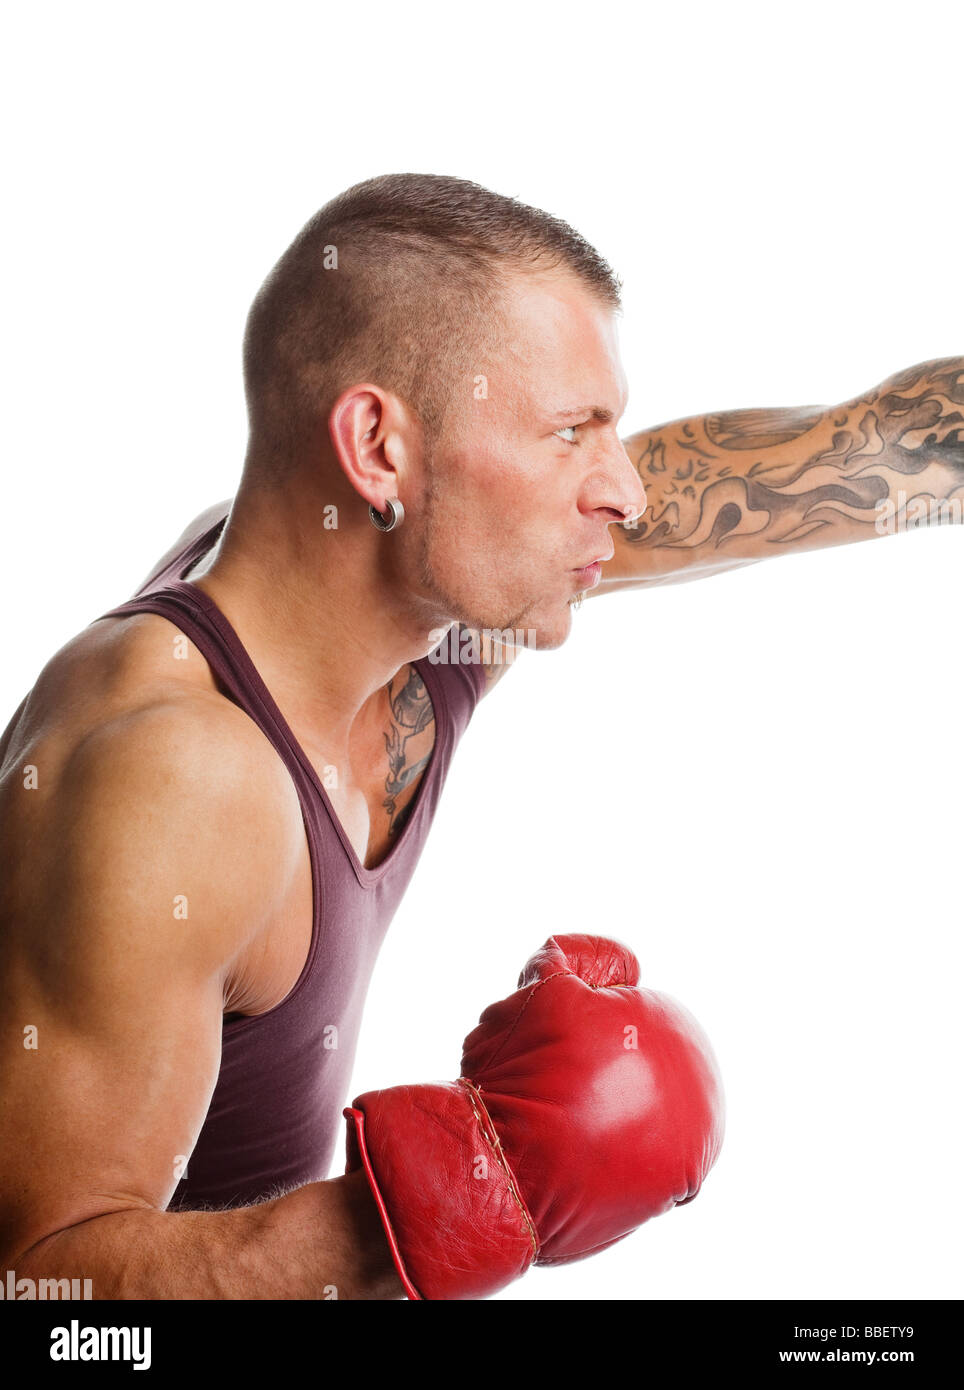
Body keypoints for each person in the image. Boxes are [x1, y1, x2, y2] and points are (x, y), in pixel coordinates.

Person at [0, 172, 959, 1299]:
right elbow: (37, 1292)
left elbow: (863, 454)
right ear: (378, 451)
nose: (628, 492)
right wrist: (424, 1210)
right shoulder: (174, 778)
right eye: (569, 434)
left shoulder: (405, 592)